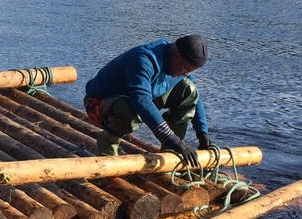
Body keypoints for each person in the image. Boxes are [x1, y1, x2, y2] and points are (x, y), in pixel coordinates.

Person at [83, 34, 213, 165]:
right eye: (187, 69)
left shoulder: (179, 65)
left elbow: (195, 98)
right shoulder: (144, 59)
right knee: (127, 109)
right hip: (98, 104)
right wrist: (172, 139)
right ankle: (108, 143)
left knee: (188, 89)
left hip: (138, 99)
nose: (187, 74)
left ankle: (170, 155)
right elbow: (140, 99)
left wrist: (202, 133)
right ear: (176, 57)